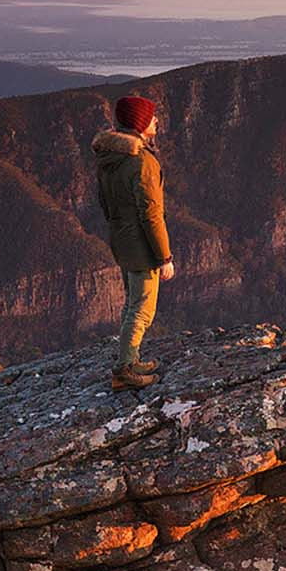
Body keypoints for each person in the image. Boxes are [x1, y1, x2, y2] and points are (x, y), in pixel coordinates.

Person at [92, 95, 175, 390]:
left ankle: (132, 358)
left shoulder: (110, 158)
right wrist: (164, 257)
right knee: (142, 309)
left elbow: (104, 203)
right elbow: (152, 214)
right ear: (141, 123)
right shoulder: (141, 161)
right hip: (141, 247)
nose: (156, 121)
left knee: (131, 303)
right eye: (151, 117)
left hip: (121, 240)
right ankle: (124, 370)